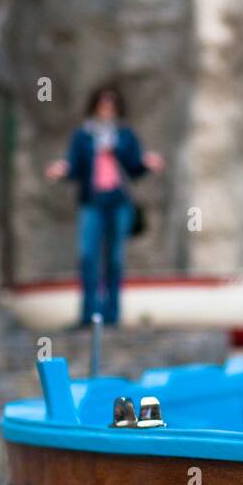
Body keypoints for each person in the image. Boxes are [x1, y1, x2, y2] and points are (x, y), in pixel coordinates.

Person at [45, 84, 165, 327]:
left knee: (115, 258)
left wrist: (145, 162)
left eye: (111, 104)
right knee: (88, 256)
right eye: (102, 103)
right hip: (93, 201)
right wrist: (61, 170)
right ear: (95, 106)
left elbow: (134, 167)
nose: (107, 108)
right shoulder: (83, 136)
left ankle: (111, 315)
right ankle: (89, 314)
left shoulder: (125, 135)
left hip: (119, 201)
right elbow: (75, 166)